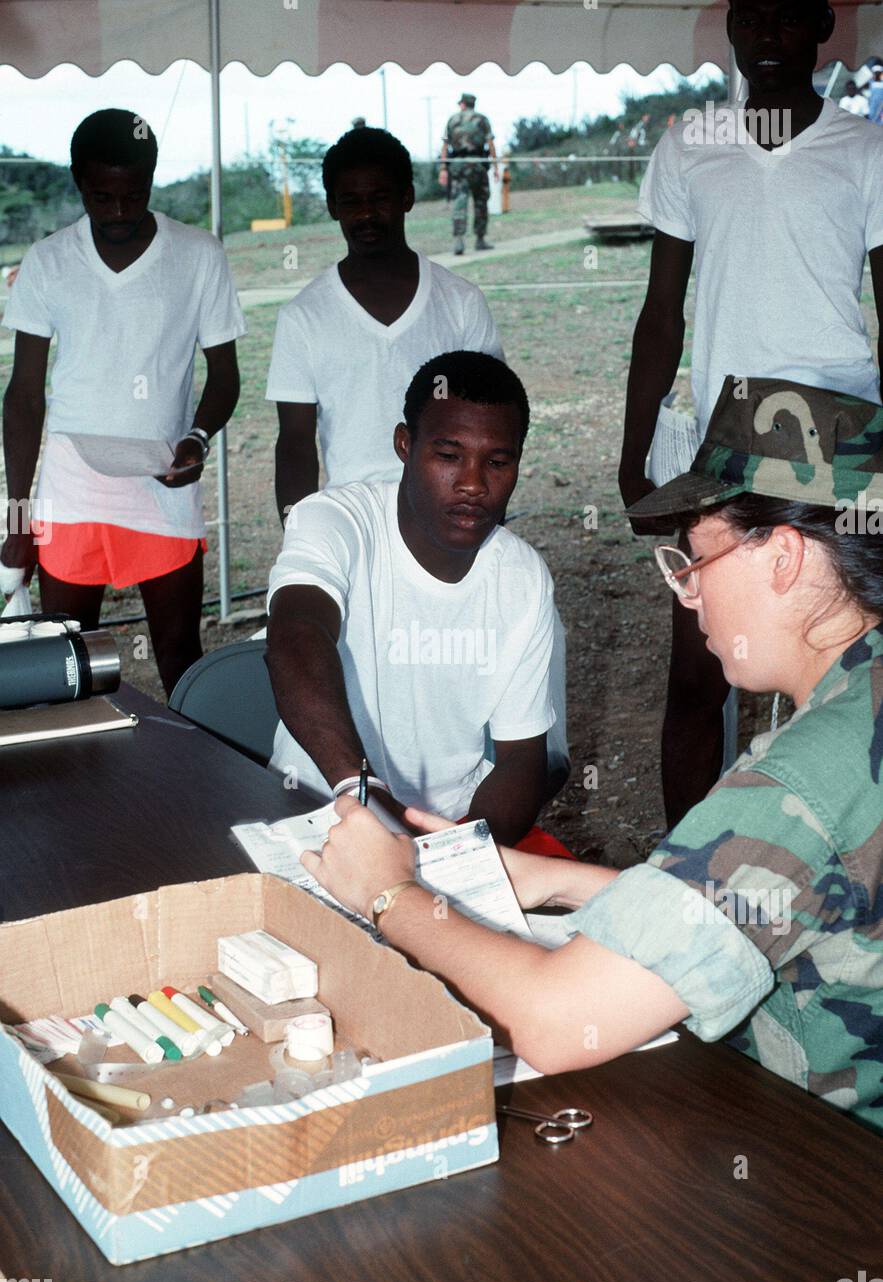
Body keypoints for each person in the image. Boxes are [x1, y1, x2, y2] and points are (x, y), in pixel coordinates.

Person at [302, 377, 883, 1134]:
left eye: (695, 558)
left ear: (779, 557)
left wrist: (390, 896)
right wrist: (558, 879)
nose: (687, 593)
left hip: (827, 1171)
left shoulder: (803, 778)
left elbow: (556, 1017)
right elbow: (788, 894)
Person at [619, 0, 883, 827]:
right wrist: (634, 458)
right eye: (751, 20)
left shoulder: (865, 147)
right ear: (730, 29)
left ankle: (842, 861)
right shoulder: (688, 146)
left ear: (819, 29)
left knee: (850, 658)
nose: (767, 40)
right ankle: (684, 872)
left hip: (841, 432)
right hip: (726, 443)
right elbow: (662, 312)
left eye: (786, 20)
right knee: (700, 672)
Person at [266, 352, 561, 847]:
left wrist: (460, 857)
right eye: (448, 456)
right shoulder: (336, 520)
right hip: (320, 814)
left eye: (497, 462)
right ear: (405, 444)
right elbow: (295, 634)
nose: (472, 483)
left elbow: (522, 758)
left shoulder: (523, 576)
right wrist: (364, 795)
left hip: (451, 829)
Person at [0, 109, 244, 695]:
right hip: (71, 488)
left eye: (131, 196)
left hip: (162, 481)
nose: (115, 211)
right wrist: (16, 518)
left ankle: (192, 780)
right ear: (78, 181)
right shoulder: (49, 260)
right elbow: (24, 396)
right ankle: (80, 784)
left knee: (181, 658)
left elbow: (225, 376)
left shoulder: (198, 254)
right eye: (100, 195)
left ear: (152, 180)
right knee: (66, 661)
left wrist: (197, 438)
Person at [268, 127, 502, 516]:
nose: (365, 215)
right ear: (332, 206)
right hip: (350, 518)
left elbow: (493, 423)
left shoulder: (462, 302)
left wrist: (486, 519)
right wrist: (298, 534)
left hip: (447, 513)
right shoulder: (302, 316)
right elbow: (294, 443)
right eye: (351, 201)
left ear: (406, 197)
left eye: (379, 199)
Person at [439, 94, 498, 256]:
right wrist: (495, 167)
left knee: (459, 201)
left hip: (457, 166)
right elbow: (491, 144)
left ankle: (459, 240)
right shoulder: (482, 119)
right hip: (478, 164)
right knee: (481, 201)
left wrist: (443, 168)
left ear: (463, 104)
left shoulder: (452, 120)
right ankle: (480, 239)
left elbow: (444, 146)